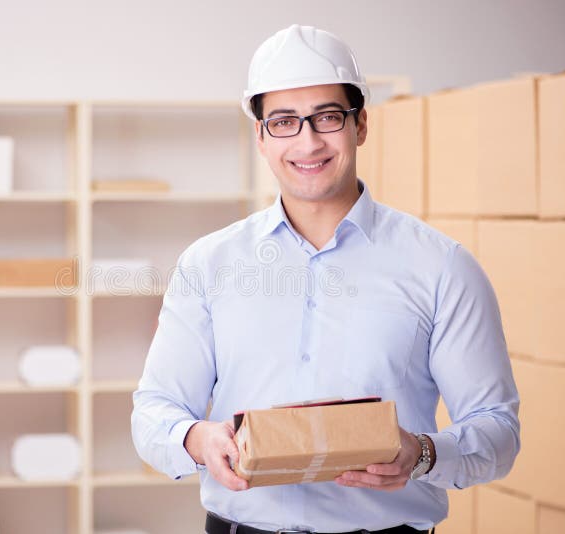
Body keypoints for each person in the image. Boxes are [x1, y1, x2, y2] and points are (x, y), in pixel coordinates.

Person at [131, 24, 519, 534]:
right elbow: (155, 410)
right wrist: (197, 439)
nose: (307, 141)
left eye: (327, 117)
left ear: (360, 126)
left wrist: (423, 453)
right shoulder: (209, 264)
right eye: (284, 121)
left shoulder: (442, 267)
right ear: (261, 137)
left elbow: (498, 430)